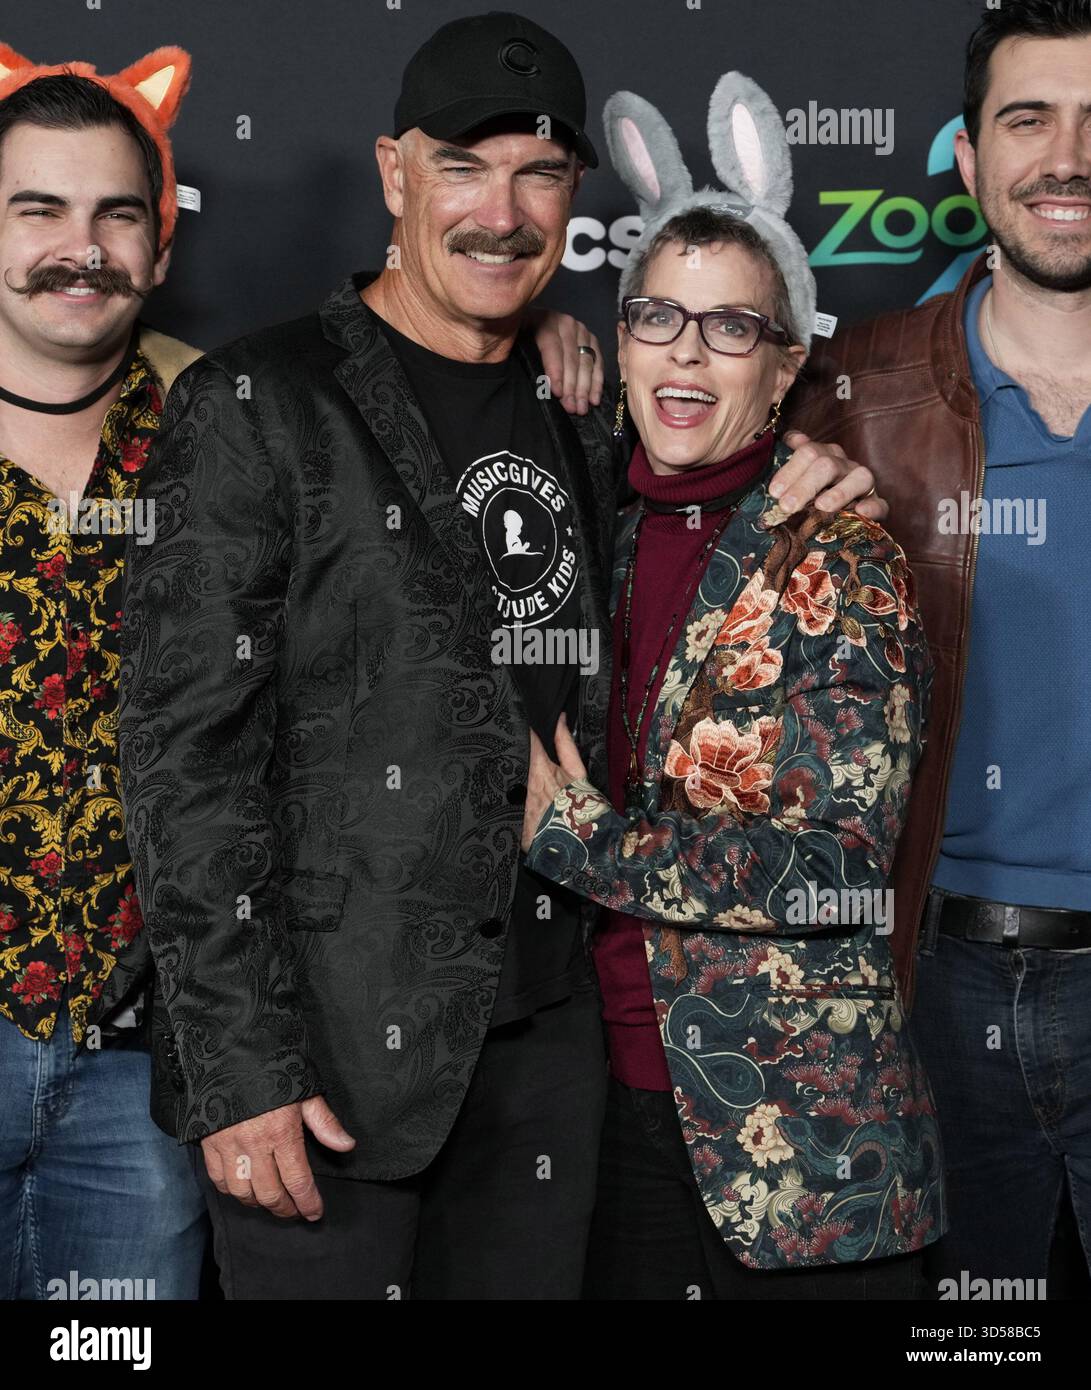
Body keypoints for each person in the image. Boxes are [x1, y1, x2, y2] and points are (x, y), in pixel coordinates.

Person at [118, 12, 883, 1301]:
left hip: (543, 1058)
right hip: (331, 1072)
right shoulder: (258, 402)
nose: (501, 210)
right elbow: (183, 754)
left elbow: (706, 502)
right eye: (461, 165)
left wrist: (819, 470)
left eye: (536, 172)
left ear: (574, 194)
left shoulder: (581, 401)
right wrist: (241, 1070)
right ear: (392, 173)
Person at [523, 71, 944, 1299]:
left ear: (784, 363)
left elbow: (838, 867)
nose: (686, 352)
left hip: (803, 1150)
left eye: (730, 326)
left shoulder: (840, 557)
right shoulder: (578, 516)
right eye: (657, 315)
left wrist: (584, 845)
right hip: (599, 1122)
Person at [787, 0, 1091, 1296]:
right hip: (935, 984)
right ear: (965, 163)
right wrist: (555, 359)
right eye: (1026, 119)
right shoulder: (853, 393)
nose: (1064, 155)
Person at [0, 43, 207, 1300]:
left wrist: (552, 348)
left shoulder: (222, 429)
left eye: (114, 214)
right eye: (38, 211)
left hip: (143, 1073)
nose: (81, 247)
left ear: (161, 246)